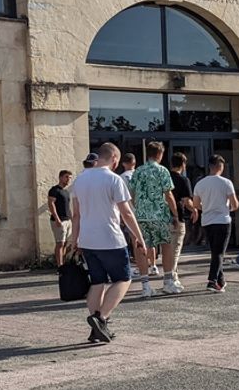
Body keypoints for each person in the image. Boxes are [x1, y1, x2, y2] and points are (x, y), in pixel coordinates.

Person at [69, 143, 146, 343]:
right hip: (110, 238)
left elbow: (75, 215)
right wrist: (139, 237)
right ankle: (100, 318)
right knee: (124, 279)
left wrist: (74, 239)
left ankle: (97, 330)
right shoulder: (113, 179)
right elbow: (126, 212)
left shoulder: (79, 179)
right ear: (114, 159)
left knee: (97, 282)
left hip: (87, 239)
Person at [128, 141, 180, 297]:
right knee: (166, 246)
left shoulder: (138, 171)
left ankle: (145, 286)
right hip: (159, 215)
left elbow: (132, 195)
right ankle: (168, 282)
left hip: (141, 216)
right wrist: (175, 214)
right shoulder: (162, 170)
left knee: (141, 248)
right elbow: (168, 194)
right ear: (160, 154)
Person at [191, 155, 239, 292]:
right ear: (221, 166)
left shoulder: (200, 184)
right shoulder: (226, 183)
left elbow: (195, 204)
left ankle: (220, 280)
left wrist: (206, 207)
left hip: (207, 221)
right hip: (223, 220)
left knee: (215, 252)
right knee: (219, 252)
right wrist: (226, 208)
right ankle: (212, 281)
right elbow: (235, 204)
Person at [169, 152, 193, 286]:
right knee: (175, 249)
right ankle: (172, 277)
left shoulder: (164, 177)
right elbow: (186, 200)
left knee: (168, 249)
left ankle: (171, 275)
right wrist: (195, 209)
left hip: (163, 217)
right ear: (183, 164)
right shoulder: (183, 180)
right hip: (177, 218)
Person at [47, 170, 73, 267]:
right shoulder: (54, 190)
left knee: (65, 243)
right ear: (60, 177)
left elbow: (68, 207)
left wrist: (72, 219)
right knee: (60, 243)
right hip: (59, 220)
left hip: (67, 220)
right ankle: (59, 265)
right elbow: (51, 203)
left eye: (70, 178)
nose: (68, 180)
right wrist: (57, 218)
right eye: (66, 177)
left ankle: (64, 264)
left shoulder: (66, 192)